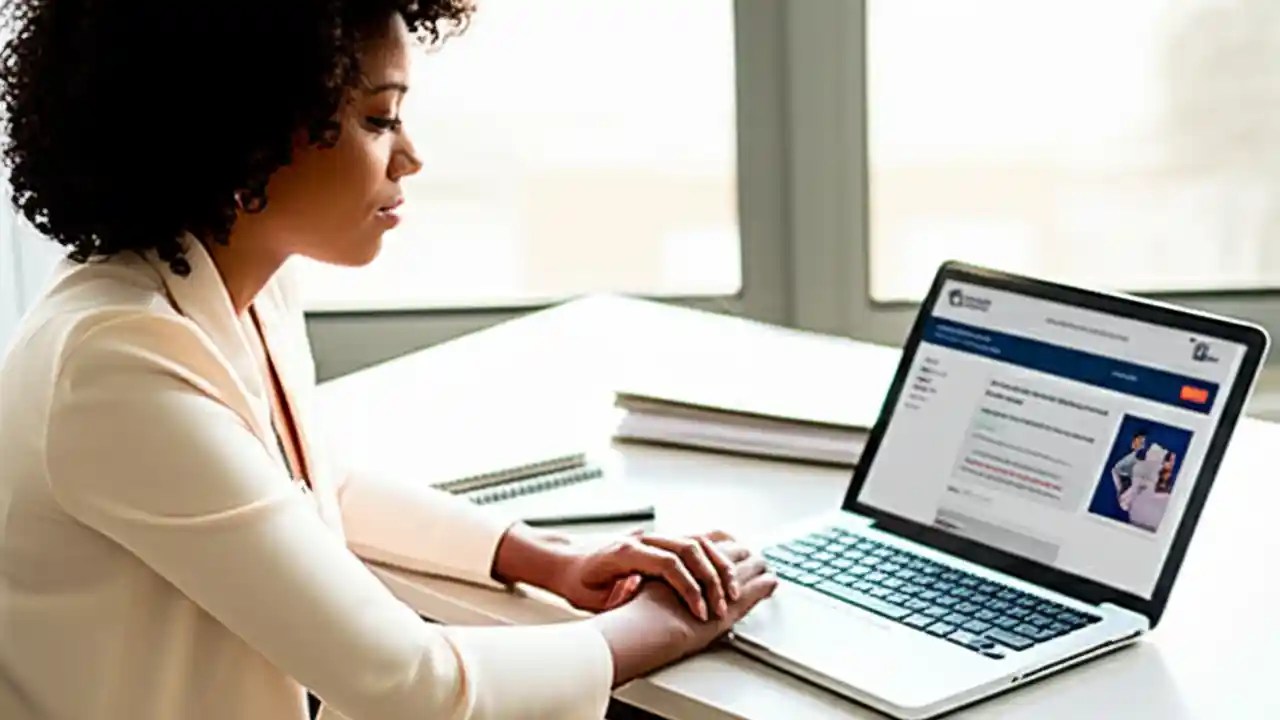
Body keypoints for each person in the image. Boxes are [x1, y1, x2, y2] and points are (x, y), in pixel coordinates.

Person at [0, 3, 777, 719]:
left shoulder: (236, 286)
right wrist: (662, 626)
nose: (410, 157)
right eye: (379, 119)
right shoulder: (111, 365)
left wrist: (552, 560)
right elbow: (409, 684)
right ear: (249, 134)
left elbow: (308, 485)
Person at [1109, 428, 1148, 498]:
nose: (1142, 444)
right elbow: (1114, 470)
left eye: (1143, 442)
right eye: (1140, 441)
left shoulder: (1138, 455)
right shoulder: (1129, 454)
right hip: (1123, 478)